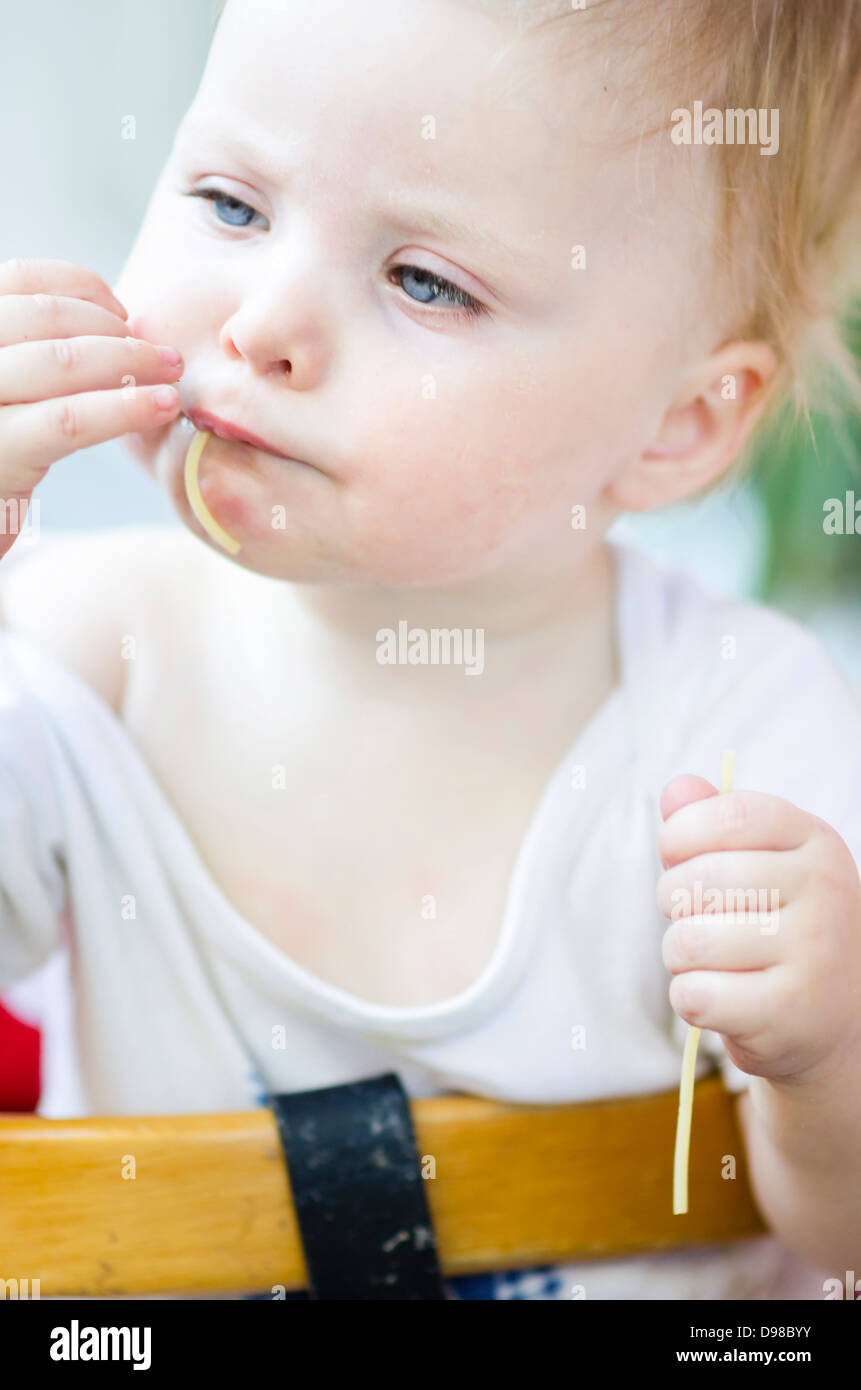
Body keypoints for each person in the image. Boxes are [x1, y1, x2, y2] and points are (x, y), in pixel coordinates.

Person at [0, 0, 859, 1300]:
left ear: (677, 422)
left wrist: (827, 1051)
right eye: (232, 203)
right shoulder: (80, 650)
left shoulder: (746, 744)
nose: (262, 322)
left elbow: (838, 1226)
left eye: (422, 281)